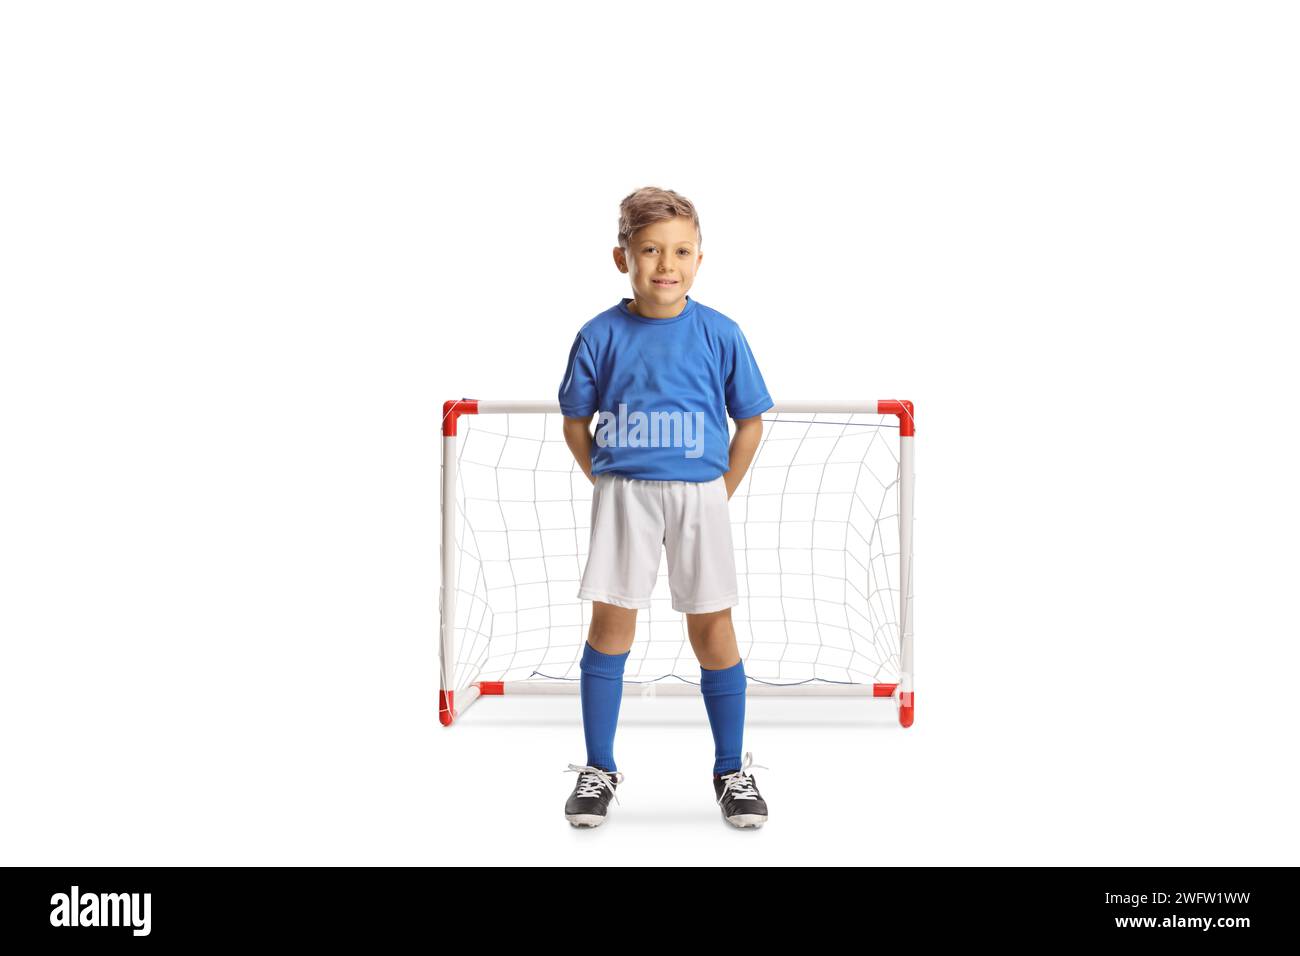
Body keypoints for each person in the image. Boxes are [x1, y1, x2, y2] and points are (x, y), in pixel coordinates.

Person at [557, 186, 773, 829]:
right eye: (649, 250)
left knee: (712, 626)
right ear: (621, 256)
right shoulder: (599, 334)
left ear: (700, 258)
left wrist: (719, 489)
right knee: (609, 626)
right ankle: (599, 768)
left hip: (699, 494)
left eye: (680, 251)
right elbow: (576, 421)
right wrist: (604, 478)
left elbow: (750, 421)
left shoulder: (719, 332)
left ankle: (731, 769)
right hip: (625, 493)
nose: (664, 264)